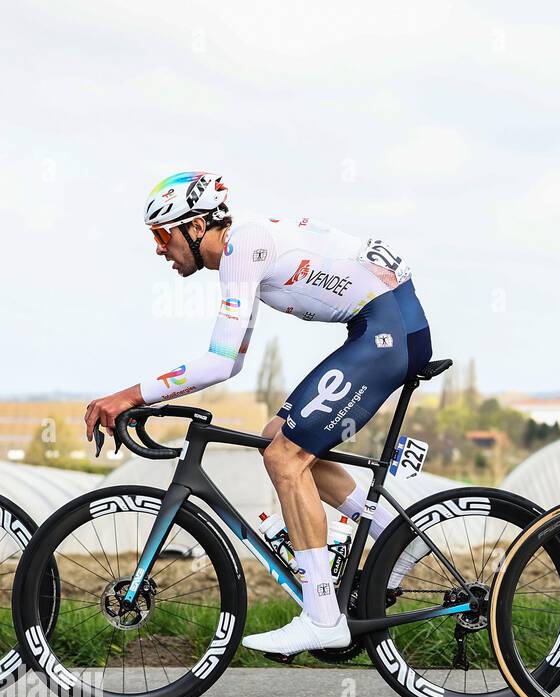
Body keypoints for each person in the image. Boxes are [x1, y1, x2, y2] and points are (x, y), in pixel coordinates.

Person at [83, 171, 432, 655]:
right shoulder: (243, 249)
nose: (159, 249)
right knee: (277, 437)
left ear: (197, 226)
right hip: (384, 325)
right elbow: (234, 358)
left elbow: (221, 362)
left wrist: (129, 396)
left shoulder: (242, 247)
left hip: (386, 330)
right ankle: (393, 536)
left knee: (284, 459)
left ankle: (323, 616)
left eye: (163, 235)